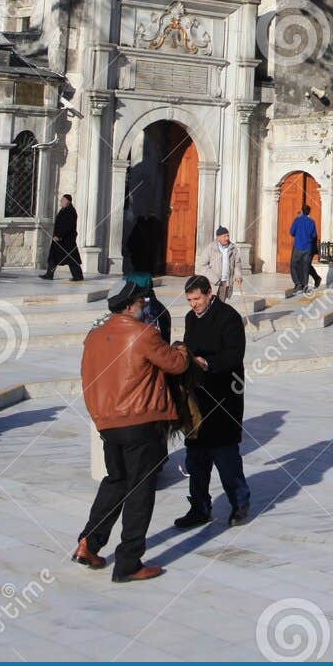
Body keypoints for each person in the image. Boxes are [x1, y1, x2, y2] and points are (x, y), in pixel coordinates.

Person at [74, 280, 189, 582]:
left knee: (116, 481)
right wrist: (182, 351)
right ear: (129, 306)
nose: (143, 306)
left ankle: (88, 542)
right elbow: (174, 364)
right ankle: (129, 562)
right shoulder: (143, 334)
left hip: (108, 421)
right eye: (140, 302)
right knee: (140, 491)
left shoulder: (94, 337)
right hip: (140, 420)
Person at [175, 275, 250, 528]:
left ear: (209, 294)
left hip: (223, 396)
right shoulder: (189, 318)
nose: (193, 304)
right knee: (196, 458)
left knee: (225, 455)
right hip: (197, 398)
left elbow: (234, 354)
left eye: (197, 299)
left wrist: (206, 363)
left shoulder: (228, 317)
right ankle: (199, 507)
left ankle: (239, 503)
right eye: (189, 300)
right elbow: (189, 347)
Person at [43, 194, 84, 282]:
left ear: (67, 201)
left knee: (72, 259)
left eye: (62, 200)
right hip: (59, 240)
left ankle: (78, 276)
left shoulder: (70, 211)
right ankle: (49, 274)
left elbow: (68, 226)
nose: (60, 201)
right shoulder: (64, 210)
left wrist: (59, 236)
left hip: (66, 241)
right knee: (53, 257)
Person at [200, 226, 243, 304]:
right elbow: (203, 265)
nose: (227, 238)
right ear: (218, 237)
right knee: (210, 306)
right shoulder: (210, 248)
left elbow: (237, 264)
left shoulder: (233, 248)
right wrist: (214, 279)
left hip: (225, 283)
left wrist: (238, 275)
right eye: (224, 236)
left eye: (228, 236)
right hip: (212, 283)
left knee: (221, 305)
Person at [289, 204, 317, 295]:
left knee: (293, 265)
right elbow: (314, 235)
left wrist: (298, 236)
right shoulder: (312, 222)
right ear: (309, 212)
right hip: (307, 248)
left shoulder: (297, 220)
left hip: (298, 246)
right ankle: (305, 286)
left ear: (302, 210)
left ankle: (297, 284)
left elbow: (291, 232)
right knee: (305, 267)